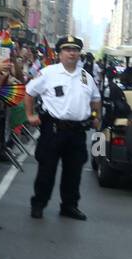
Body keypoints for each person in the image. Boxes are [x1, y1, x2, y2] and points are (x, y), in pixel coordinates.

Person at [24, 35, 102, 220]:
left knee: (74, 172)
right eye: (67, 50)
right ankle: (39, 204)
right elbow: (29, 92)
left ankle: (69, 206)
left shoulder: (86, 76)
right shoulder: (48, 73)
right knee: (46, 170)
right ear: (59, 53)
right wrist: (30, 114)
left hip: (77, 132)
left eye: (75, 50)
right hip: (53, 129)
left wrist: (96, 117)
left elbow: (96, 99)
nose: (72, 53)